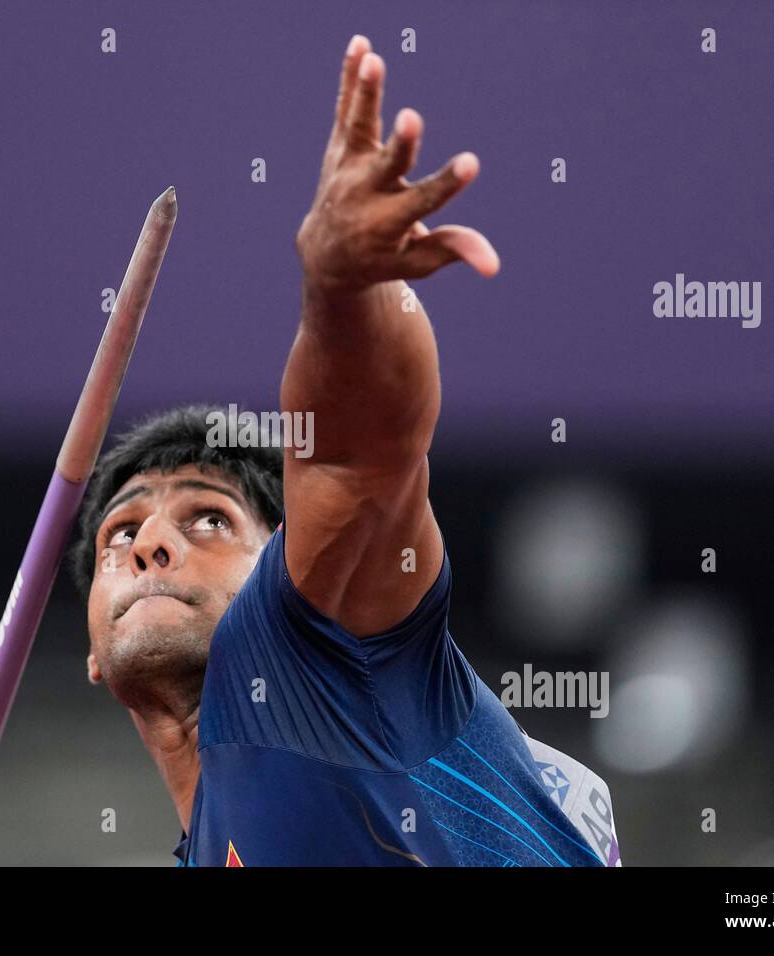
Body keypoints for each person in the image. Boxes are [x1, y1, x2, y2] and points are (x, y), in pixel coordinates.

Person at [69, 34, 621, 866]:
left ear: (287, 558)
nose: (149, 541)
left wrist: (344, 289)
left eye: (210, 519)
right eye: (120, 534)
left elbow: (355, 458)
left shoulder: (313, 654)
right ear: (91, 656)